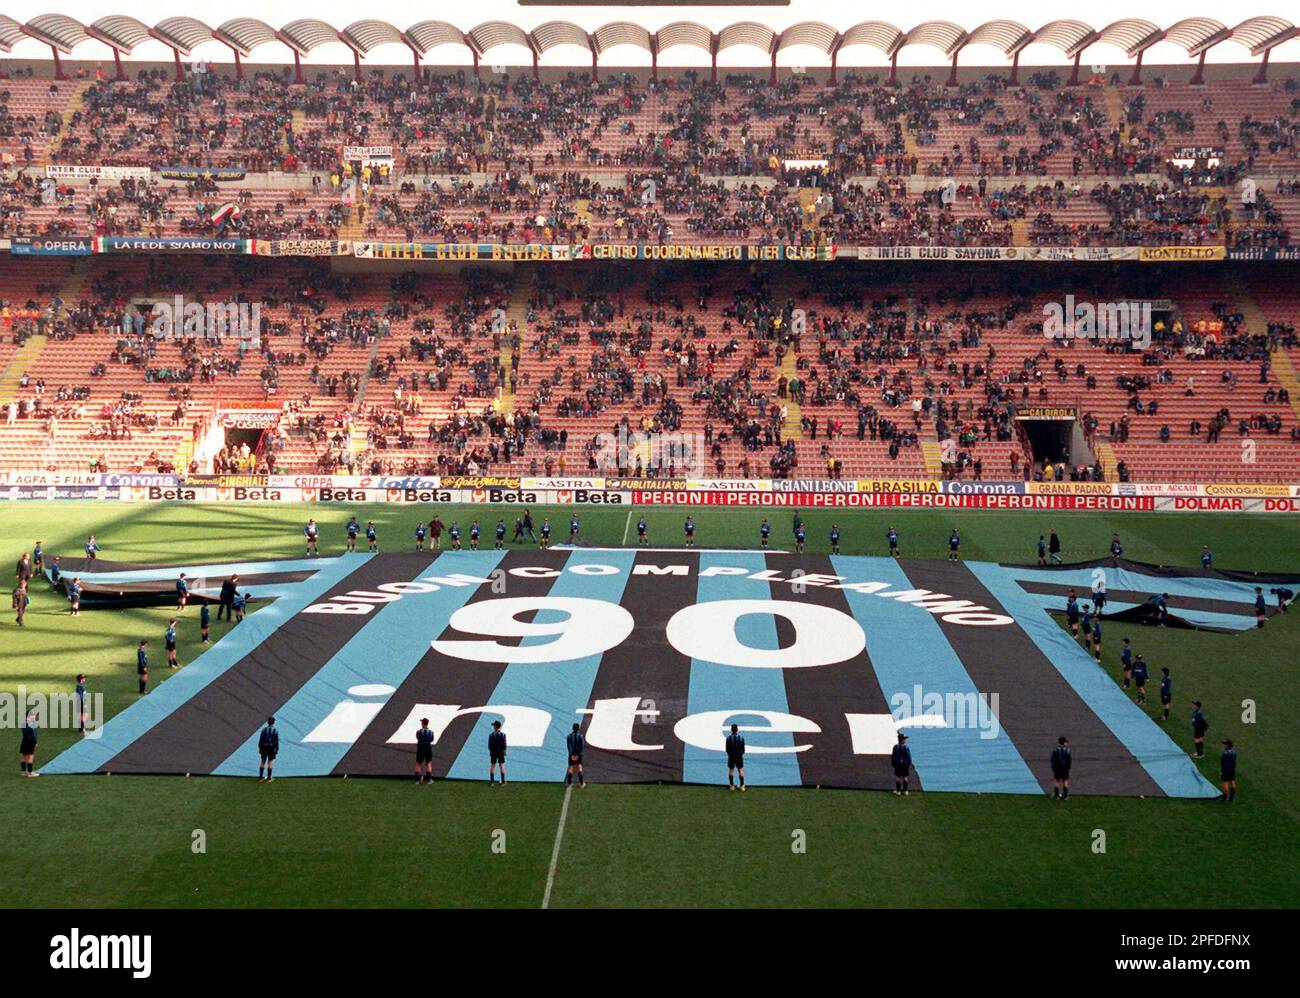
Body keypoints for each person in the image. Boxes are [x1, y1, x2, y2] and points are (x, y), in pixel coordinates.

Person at [890, 732, 912, 796]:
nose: (906, 740)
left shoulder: (895, 747)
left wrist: (893, 763)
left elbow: (893, 756)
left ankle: (898, 791)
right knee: (905, 777)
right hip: (905, 765)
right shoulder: (906, 747)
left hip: (897, 764)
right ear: (902, 740)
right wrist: (908, 763)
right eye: (905, 739)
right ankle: (905, 791)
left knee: (898, 777)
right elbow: (908, 757)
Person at [726, 723, 746, 791]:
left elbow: (727, 749)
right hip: (739, 756)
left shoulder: (728, 738)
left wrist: (730, 755)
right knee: (740, 770)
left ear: (731, 730)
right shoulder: (741, 738)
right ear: (737, 729)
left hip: (731, 756)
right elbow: (743, 749)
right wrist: (740, 754)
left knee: (731, 769)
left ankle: (731, 785)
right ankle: (742, 786)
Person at [565, 722, 586, 787]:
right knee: (579, 767)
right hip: (578, 754)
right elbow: (581, 746)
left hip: (571, 754)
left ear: (572, 728)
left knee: (571, 767)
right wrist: (577, 755)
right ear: (578, 729)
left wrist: (571, 755)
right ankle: (581, 783)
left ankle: (569, 783)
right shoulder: (580, 736)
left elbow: (569, 746)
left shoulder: (569, 736)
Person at [258, 716, 278, 781]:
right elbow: (276, 742)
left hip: (264, 748)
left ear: (267, 722)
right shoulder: (275, 731)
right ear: (273, 723)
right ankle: (269, 778)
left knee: (262, 761)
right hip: (271, 749)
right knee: (270, 762)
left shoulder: (263, 730)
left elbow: (260, 740)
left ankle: (261, 778)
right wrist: (276, 750)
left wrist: (260, 748)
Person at [414, 717, 434, 784]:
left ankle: (417, 780)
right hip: (428, 748)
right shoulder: (431, 732)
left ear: (423, 723)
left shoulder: (419, 732)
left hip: (420, 748)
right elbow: (431, 740)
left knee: (418, 763)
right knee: (428, 763)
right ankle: (429, 780)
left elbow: (418, 737)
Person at [19, 708, 38, 778]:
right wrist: (35, 742)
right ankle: (30, 773)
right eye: (33, 715)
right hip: (30, 741)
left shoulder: (23, 723)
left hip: (24, 740)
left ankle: (23, 772)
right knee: (30, 756)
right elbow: (33, 734)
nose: (34, 717)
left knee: (23, 755)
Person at [488, 719, 507, 785]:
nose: (493, 727)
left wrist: (491, 752)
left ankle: (492, 782)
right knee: (501, 766)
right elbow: (504, 745)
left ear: (495, 727)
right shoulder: (503, 735)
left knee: (492, 766)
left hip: (493, 753)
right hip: (500, 752)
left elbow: (489, 745)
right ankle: (503, 782)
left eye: (494, 725)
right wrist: (504, 752)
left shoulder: (491, 735)